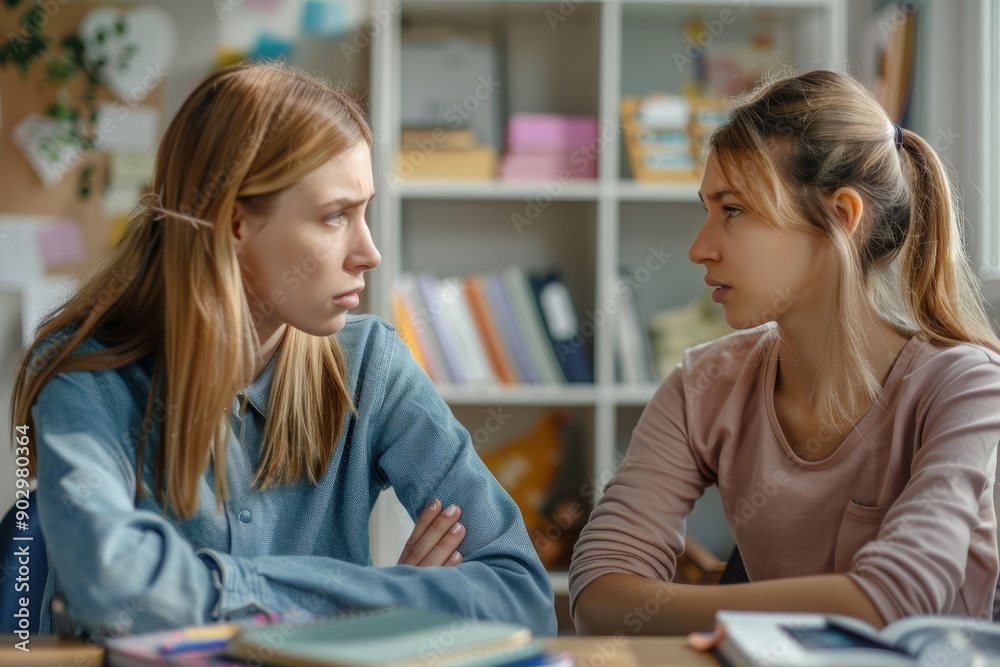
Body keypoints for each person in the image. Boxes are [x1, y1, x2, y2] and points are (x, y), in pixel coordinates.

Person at [11, 61, 556, 638]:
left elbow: (520, 594)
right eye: (334, 216)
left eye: (364, 211)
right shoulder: (85, 379)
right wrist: (392, 606)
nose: (368, 252)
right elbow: (114, 589)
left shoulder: (372, 365)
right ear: (236, 225)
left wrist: (218, 591)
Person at [569, 68, 1000, 637]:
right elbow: (599, 590)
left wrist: (697, 615)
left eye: (734, 210)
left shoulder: (966, 388)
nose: (700, 249)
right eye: (707, 209)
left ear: (841, 219)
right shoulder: (704, 384)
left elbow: (897, 600)